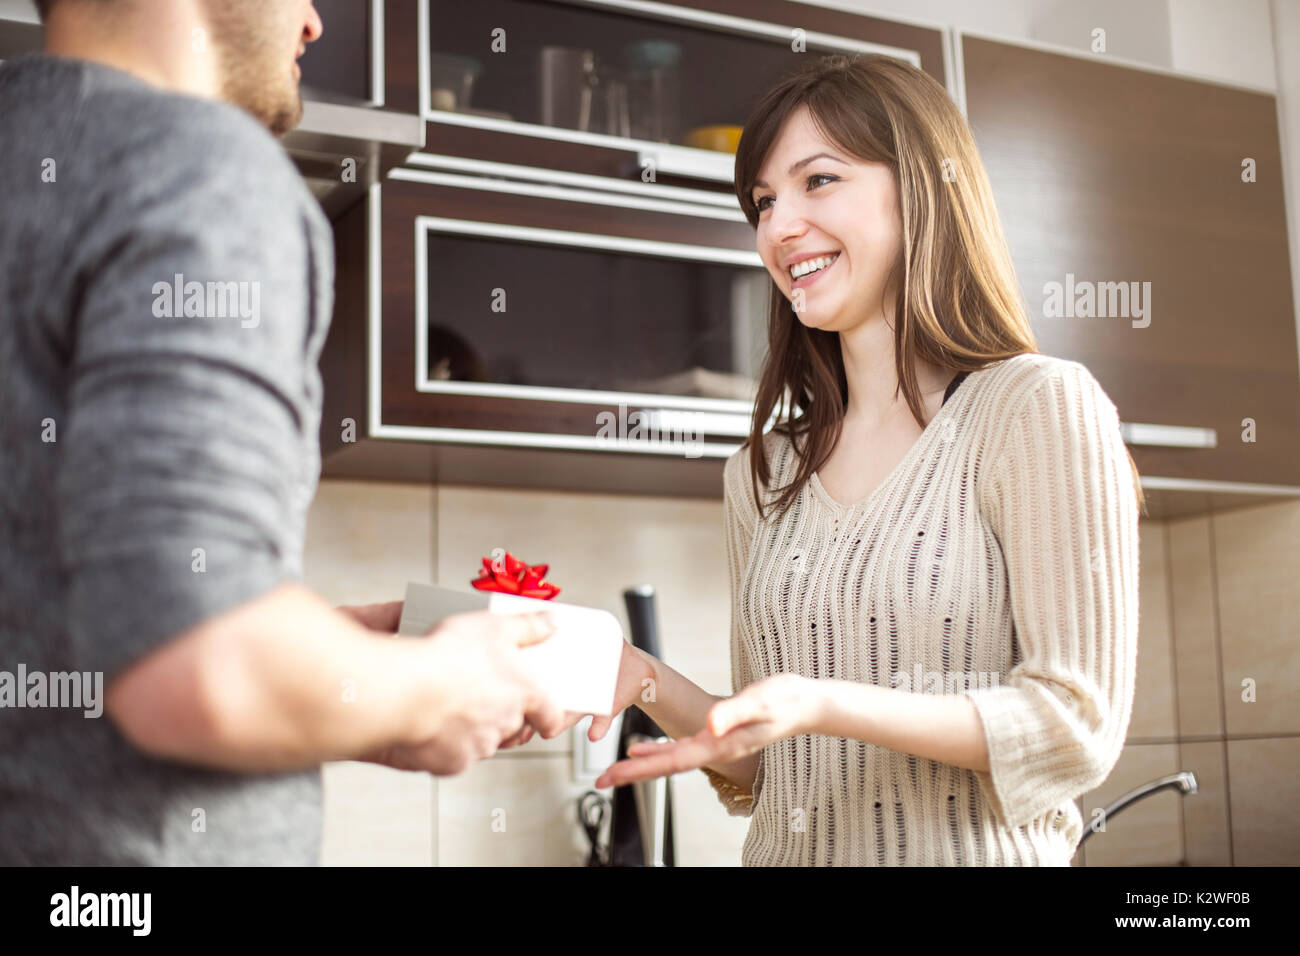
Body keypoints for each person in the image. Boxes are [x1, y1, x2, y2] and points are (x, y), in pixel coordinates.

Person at [0, 0, 566, 866]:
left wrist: (331, 671)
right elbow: (199, 669)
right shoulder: (199, 165)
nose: (313, 20)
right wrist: (442, 685)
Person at [591, 53, 1144, 866]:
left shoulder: (1033, 408)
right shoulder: (763, 473)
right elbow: (765, 765)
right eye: (764, 202)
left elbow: (1073, 728)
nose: (778, 229)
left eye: (819, 182)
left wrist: (821, 703)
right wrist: (640, 676)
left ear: (923, 186)